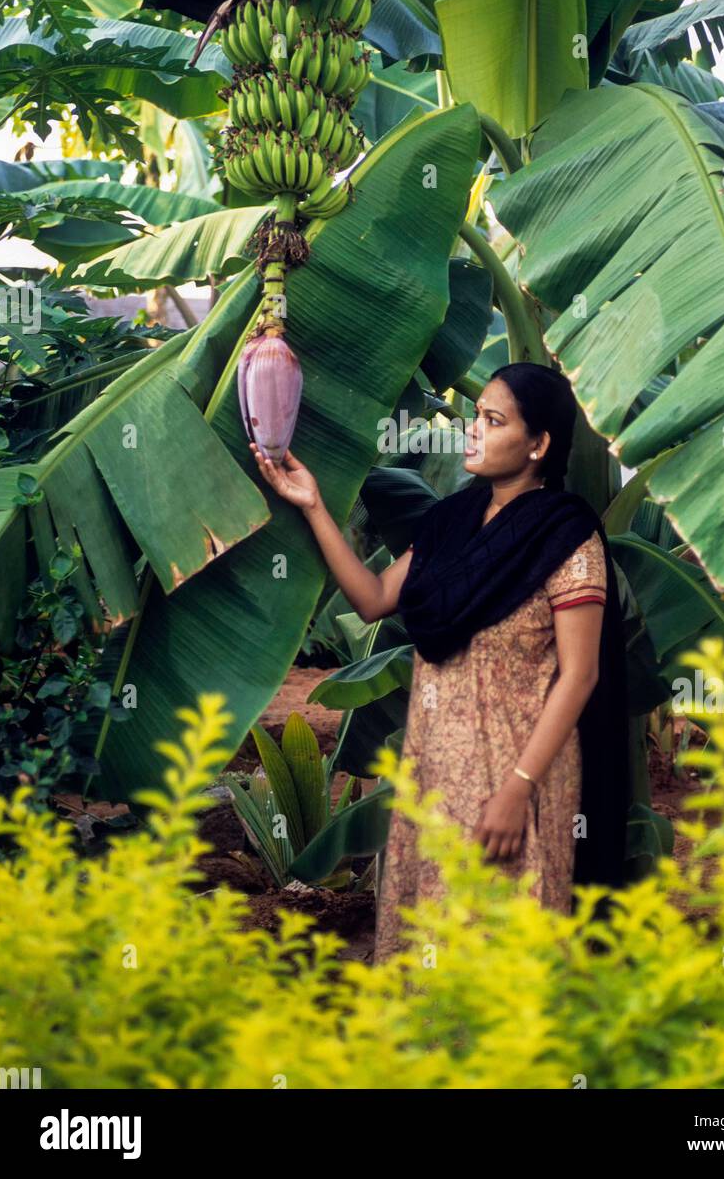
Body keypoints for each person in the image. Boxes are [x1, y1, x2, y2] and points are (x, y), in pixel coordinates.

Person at [250, 362, 630, 965]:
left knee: (504, 937)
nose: (474, 431)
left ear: (539, 445)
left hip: (519, 770)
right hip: (436, 769)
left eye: (494, 420)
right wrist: (314, 504)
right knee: (430, 927)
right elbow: (373, 599)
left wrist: (517, 790)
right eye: (476, 416)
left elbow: (580, 676)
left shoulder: (566, 536)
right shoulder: (449, 524)